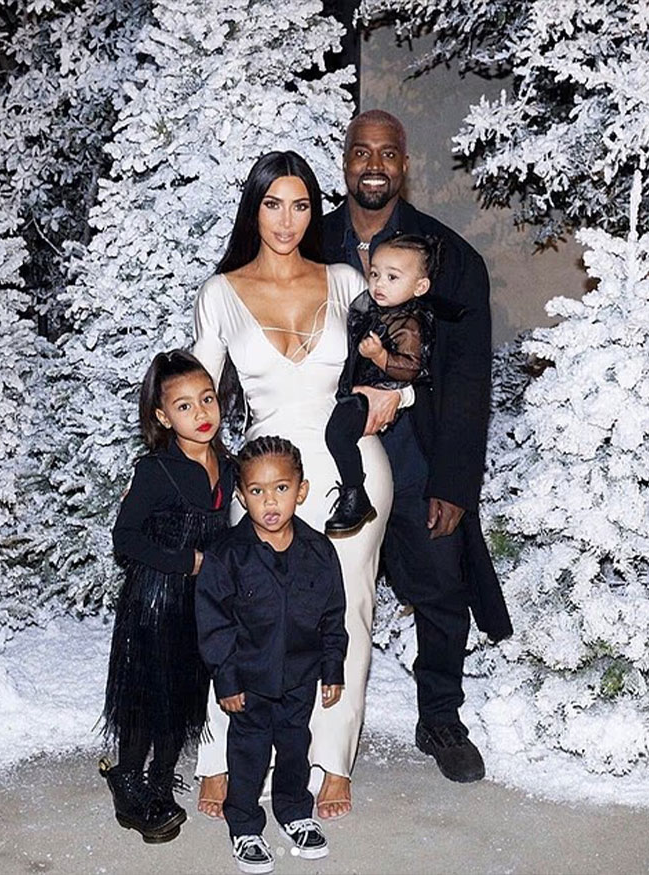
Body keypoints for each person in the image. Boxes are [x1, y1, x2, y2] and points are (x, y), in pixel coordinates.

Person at [193, 150, 397, 820]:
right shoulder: (221, 292)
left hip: (349, 468)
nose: (287, 219)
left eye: (301, 204)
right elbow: (198, 394)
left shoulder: (343, 279)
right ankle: (222, 755)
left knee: (347, 614)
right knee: (243, 612)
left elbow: (397, 351)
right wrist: (187, 475)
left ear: (315, 209)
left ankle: (332, 761)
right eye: (273, 203)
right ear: (254, 208)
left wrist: (388, 395)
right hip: (266, 472)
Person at [323, 109, 513, 783]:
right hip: (333, 456)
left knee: (440, 590)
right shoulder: (309, 244)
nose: (374, 163)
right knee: (318, 592)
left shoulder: (448, 257)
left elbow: (467, 377)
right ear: (344, 160)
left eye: (389, 153)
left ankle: (440, 715)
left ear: (404, 165)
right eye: (361, 151)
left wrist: (455, 482)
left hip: (418, 456)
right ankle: (306, 715)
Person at [99, 349, 235, 842]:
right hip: (154, 603)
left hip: (199, 609)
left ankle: (161, 779)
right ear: (161, 416)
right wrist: (189, 562)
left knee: (183, 696)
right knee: (146, 697)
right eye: (184, 406)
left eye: (207, 400)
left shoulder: (230, 465)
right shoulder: (157, 470)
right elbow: (126, 538)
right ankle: (130, 778)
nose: (200, 414)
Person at [196, 436, 348, 873]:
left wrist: (332, 666)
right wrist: (226, 680)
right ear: (242, 496)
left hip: (300, 677)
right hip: (249, 682)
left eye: (281, 488)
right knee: (248, 754)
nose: (270, 501)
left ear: (301, 490)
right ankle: (243, 823)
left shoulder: (320, 552)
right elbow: (214, 623)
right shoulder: (227, 555)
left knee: (296, 747)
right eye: (257, 491)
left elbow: (333, 615)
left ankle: (294, 811)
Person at [324, 232, 463, 538]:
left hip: (382, 394)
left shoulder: (409, 321)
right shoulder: (374, 308)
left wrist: (381, 356)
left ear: (420, 286)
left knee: (337, 433)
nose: (379, 283)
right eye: (374, 274)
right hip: (357, 390)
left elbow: (412, 367)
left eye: (392, 277)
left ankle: (354, 494)